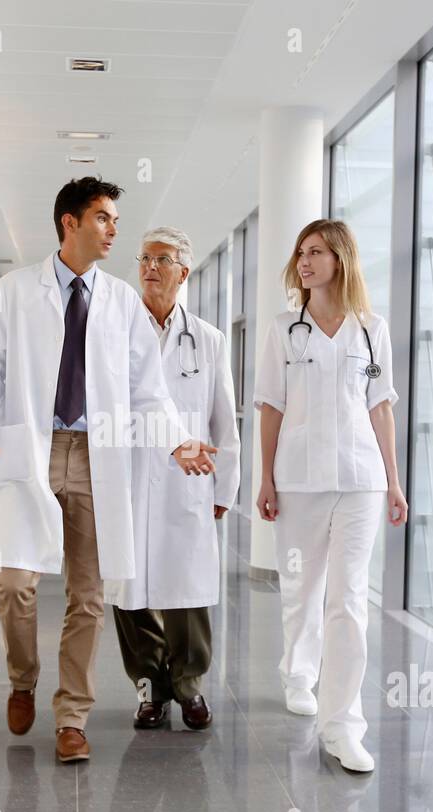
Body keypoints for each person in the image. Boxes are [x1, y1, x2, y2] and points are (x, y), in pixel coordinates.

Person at [0, 177, 218, 764]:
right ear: (69, 223)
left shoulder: (122, 301)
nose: (114, 230)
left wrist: (175, 441)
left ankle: (71, 717)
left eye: (115, 219)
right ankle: (22, 677)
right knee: (15, 582)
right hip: (33, 449)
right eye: (103, 217)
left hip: (99, 456)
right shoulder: (13, 291)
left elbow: (147, 390)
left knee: (89, 594)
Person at [252, 218, 408, 774]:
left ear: (341, 259)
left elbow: (380, 406)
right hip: (298, 477)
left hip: (361, 479)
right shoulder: (283, 328)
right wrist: (265, 478)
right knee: (302, 586)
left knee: (349, 601)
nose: (305, 261)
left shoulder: (371, 329)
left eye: (316, 251)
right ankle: (299, 673)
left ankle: (342, 726)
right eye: (300, 252)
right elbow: (270, 405)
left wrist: (392, 479)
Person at [106, 226, 240, 731]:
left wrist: (224, 487)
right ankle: (148, 687)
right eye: (144, 258)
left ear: (184, 272)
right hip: (129, 478)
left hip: (188, 482)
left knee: (187, 588)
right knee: (129, 588)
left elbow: (224, 422)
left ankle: (188, 686)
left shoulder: (207, 340)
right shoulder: (113, 333)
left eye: (162, 260)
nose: (150, 268)